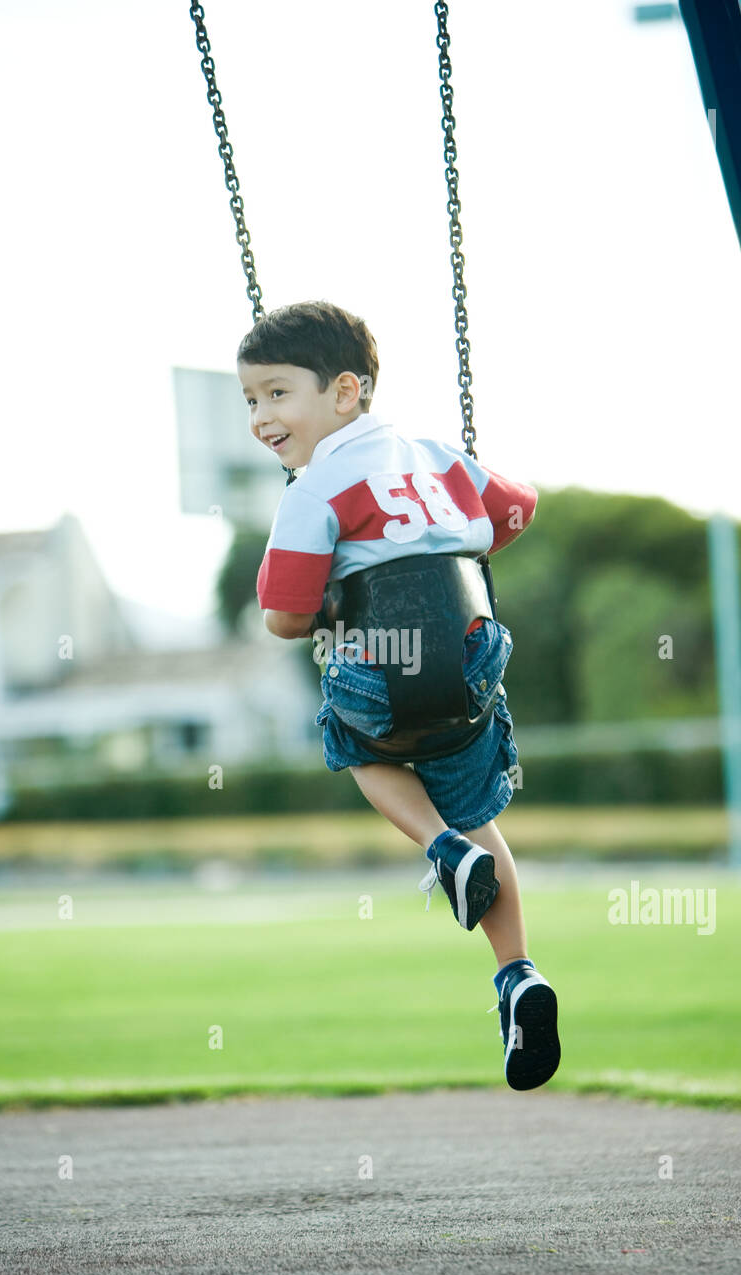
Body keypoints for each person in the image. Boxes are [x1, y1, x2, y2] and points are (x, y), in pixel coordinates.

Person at [238, 300, 560, 1090]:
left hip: (381, 658)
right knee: (479, 808)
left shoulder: (312, 491)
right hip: (470, 654)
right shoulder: (436, 453)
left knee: (351, 737)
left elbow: (282, 618)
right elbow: (517, 507)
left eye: (277, 394)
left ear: (344, 392)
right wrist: (452, 535)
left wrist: (333, 594)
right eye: (250, 401)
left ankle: (439, 849)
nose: (261, 417)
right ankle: (516, 974)